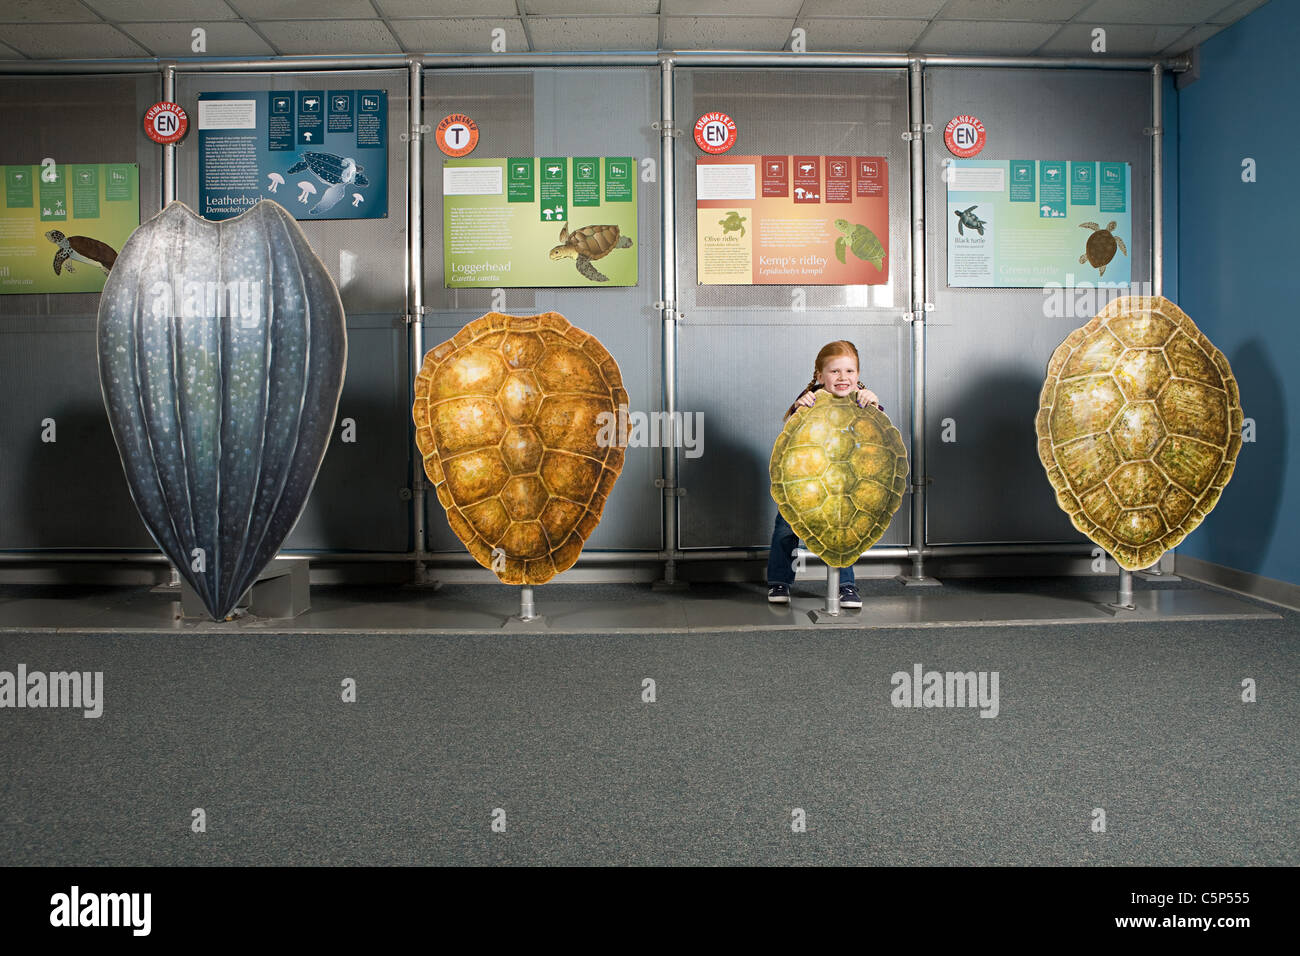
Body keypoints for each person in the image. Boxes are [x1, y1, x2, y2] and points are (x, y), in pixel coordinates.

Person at [767, 340, 882, 609]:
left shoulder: (863, 401)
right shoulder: (811, 400)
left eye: (850, 372)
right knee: (786, 527)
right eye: (834, 372)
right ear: (820, 375)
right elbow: (793, 434)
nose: (843, 378)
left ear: (858, 375)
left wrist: (875, 405)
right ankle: (779, 580)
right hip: (806, 481)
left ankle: (846, 585)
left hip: (844, 482)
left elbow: (877, 436)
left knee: (844, 531)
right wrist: (799, 406)